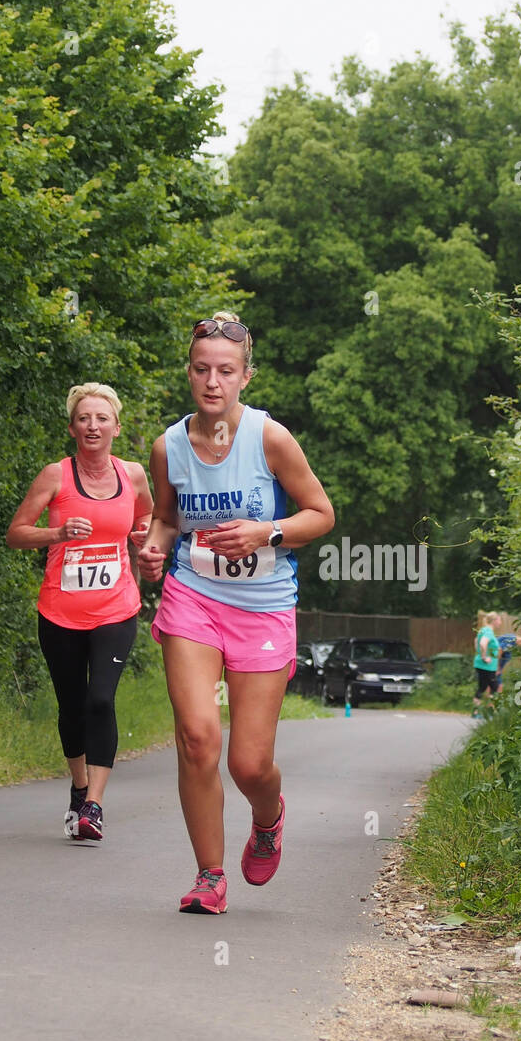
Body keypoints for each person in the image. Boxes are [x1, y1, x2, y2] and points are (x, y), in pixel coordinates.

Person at [138, 313, 334, 914]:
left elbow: (320, 514)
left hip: (265, 608)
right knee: (197, 738)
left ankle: (268, 817)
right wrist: (153, 545)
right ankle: (209, 875)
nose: (212, 382)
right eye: (202, 369)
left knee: (249, 764)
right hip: (193, 597)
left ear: (246, 376)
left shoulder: (270, 439)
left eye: (226, 370)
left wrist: (266, 533)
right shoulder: (168, 447)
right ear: (190, 372)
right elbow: (168, 519)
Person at [7, 383, 153, 842]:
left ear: (116, 426)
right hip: (60, 612)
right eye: (84, 419)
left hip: (116, 607)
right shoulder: (55, 476)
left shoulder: (133, 475)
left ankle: (95, 805)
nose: (93, 426)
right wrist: (57, 534)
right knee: (71, 706)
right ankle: (78, 786)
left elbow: (149, 519)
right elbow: (16, 533)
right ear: (72, 428)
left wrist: (141, 537)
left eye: (101, 418)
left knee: (100, 700)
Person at [472, 611, 501, 716]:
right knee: (494, 687)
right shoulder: (488, 631)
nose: (500, 622)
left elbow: (476, 641)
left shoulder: (483, 630)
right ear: (494, 621)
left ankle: (476, 712)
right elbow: (482, 643)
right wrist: (484, 657)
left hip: (481, 664)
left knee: (482, 687)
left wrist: (479, 654)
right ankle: (491, 712)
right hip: (487, 666)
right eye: (499, 620)